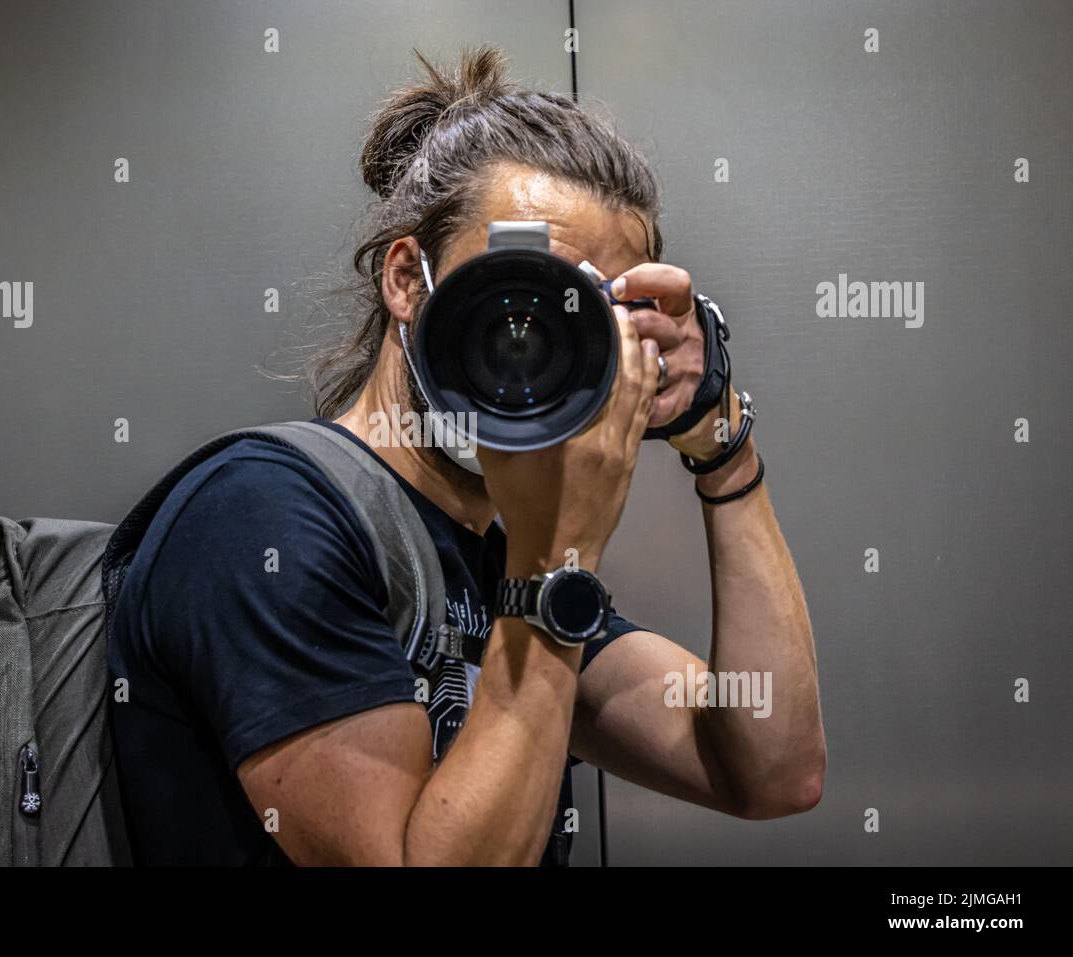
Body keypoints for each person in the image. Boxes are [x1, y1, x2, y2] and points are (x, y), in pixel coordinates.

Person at [107, 45, 825, 866]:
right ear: (408, 280)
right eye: (509, 295)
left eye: (581, 316)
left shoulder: (502, 562)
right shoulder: (262, 515)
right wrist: (558, 556)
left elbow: (773, 767)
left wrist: (720, 444)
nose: (532, 344)